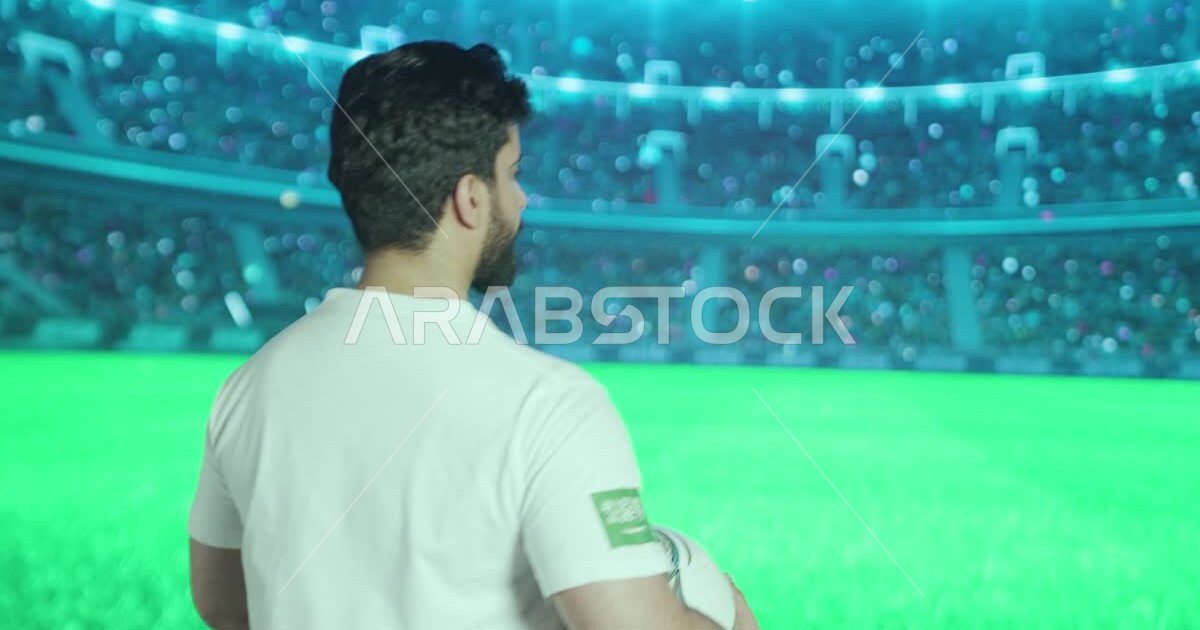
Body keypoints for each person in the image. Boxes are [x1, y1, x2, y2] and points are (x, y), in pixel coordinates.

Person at [186, 41, 759, 630]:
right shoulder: (549, 405)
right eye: (511, 175)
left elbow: (223, 602)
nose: (521, 199)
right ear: (469, 197)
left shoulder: (249, 387)